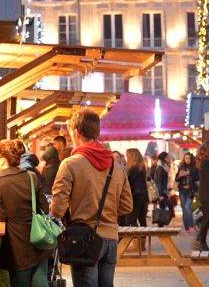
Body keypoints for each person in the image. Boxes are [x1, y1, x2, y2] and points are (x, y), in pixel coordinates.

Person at [51, 110, 134, 287]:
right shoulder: (116, 165)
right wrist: (107, 212)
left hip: (83, 239)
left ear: (76, 132)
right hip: (110, 238)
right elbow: (127, 205)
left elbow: (57, 209)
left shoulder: (70, 164)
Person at [0, 139, 51, 287]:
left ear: (2, 159)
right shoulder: (31, 176)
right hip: (39, 242)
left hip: (16, 247)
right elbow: (45, 208)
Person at [121, 148, 150, 227]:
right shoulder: (142, 167)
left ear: (131, 156)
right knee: (142, 219)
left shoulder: (133, 169)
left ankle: (135, 235)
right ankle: (144, 235)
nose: (126, 157)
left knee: (131, 219)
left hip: (135, 196)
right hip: (144, 195)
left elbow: (130, 183)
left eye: (127, 155)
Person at [176, 152, 199, 233]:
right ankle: (186, 228)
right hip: (182, 190)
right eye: (186, 158)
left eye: (189, 158)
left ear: (191, 159)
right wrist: (179, 175)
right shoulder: (181, 167)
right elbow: (176, 179)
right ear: (184, 159)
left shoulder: (194, 168)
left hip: (190, 191)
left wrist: (190, 173)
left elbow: (197, 178)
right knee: (184, 209)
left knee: (187, 207)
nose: (187, 160)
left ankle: (191, 226)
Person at [150, 152, 174, 227]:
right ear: (164, 159)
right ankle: (160, 225)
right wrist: (160, 194)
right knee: (164, 208)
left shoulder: (165, 167)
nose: (169, 158)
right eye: (168, 157)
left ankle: (161, 224)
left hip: (165, 191)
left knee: (164, 208)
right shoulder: (160, 167)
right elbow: (159, 182)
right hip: (162, 192)